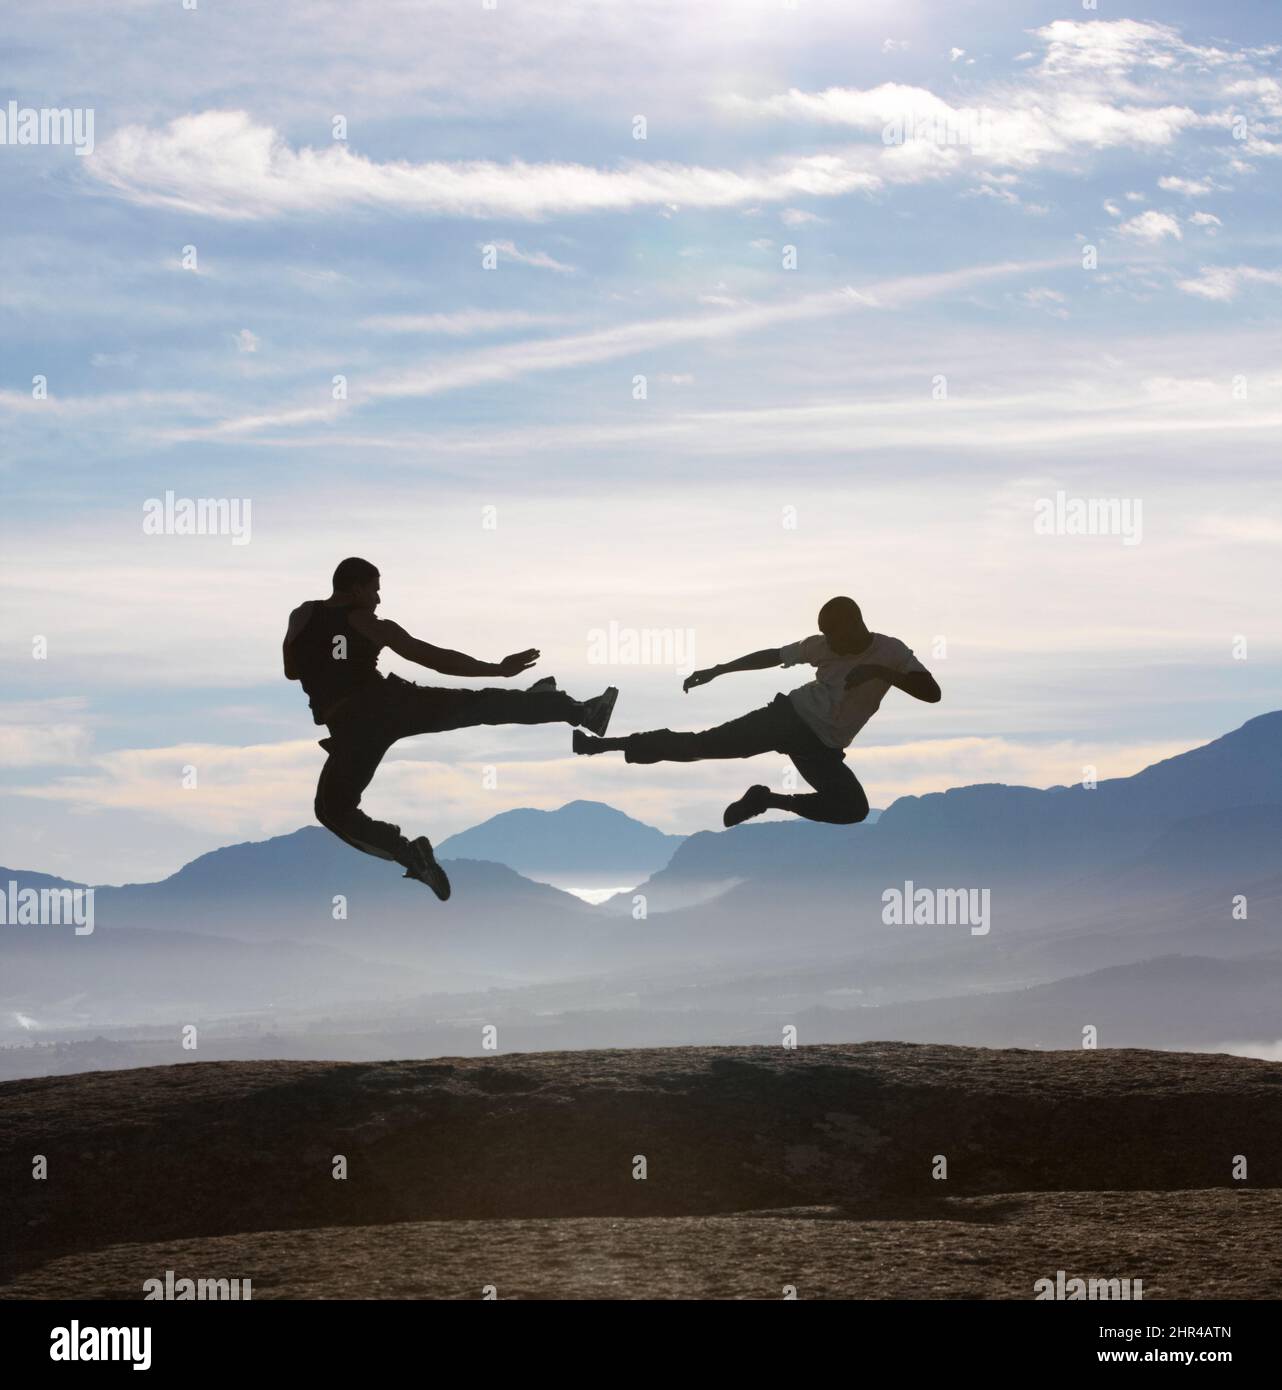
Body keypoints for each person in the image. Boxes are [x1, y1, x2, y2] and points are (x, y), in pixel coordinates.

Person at [284, 557, 618, 900]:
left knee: (332, 809)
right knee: (476, 707)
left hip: (354, 726)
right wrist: (497, 669)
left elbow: (292, 670)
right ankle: (573, 709)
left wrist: (327, 658)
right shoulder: (366, 622)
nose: (378, 599)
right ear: (356, 590)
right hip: (385, 708)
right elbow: (432, 657)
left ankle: (409, 854)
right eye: (374, 591)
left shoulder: (303, 615)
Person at [574, 596, 939, 828]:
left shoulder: (892, 652)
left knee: (854, 809)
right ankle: (602, 745)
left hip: (822, 749)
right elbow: (772, 656)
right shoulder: (821, 646)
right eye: (825, 636)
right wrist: (719, 669)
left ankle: (766, 800)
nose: (830, 642)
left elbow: (932, 693)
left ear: (856, 624)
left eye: (835, 635)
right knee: (700, 746)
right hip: (787, 720)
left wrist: (881, 673)